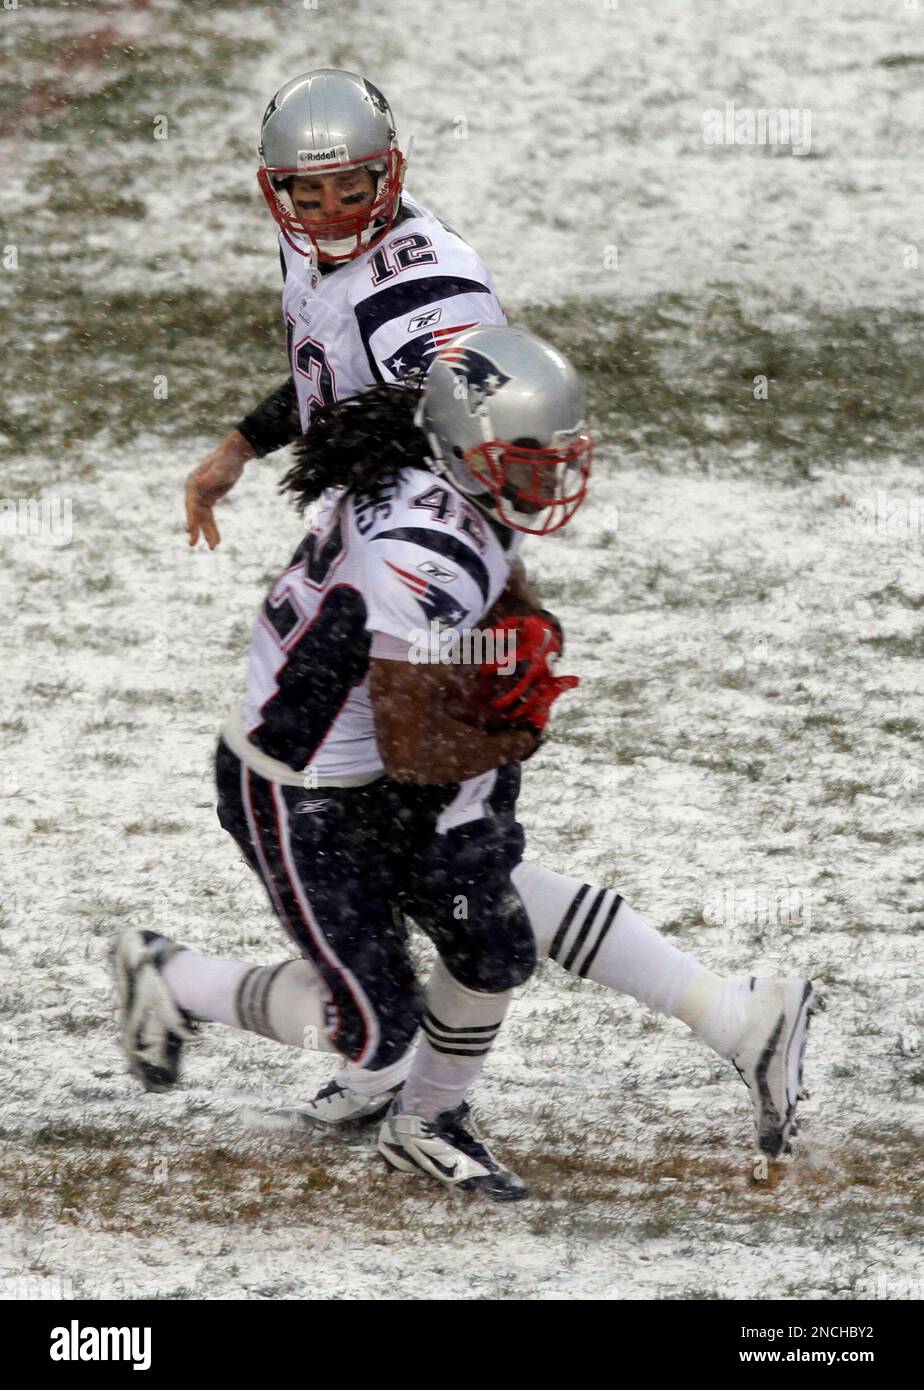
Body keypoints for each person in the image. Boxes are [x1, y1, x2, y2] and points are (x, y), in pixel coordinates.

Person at [180, 69, 815, 1161]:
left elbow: (476, 440)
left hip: (425, 581)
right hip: (377, 574)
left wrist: (471, 626)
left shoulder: (436, 300)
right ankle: (722, 1016)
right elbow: (329, 371)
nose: (331, 213)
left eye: (354, 189)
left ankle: (395, 1075)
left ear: (395, 174)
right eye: (309, 192)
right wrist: (244, 444)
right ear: (274, 189)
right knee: (453, 856)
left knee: (451, 851)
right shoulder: (325, 250)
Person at [121, 327, 594, 1200]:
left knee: (491, 939)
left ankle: (430, 1122)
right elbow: (416, 751)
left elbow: (485, 580)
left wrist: (505, 634)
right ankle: (173, 977)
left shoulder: (434, 464)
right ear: (469, 446)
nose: (550, 473)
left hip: (362, 761)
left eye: (559, 451)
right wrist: (516, 733)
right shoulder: (422, 553)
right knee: (375, 1032)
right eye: (528, 455)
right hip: (297, 788)